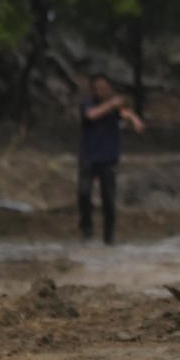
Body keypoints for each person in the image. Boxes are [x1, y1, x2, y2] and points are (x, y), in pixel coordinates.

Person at [77, 73, 143, 245]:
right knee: (83, 193)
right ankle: (86, 228)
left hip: (108, 159)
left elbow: (128, 115)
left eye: (104, 88)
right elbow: (91, 115)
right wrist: (112, 104)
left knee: (108, 198)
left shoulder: (117, 108)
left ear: (110, 89)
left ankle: (109, 236)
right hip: (88, 157)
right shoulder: (87, 103)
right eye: (98, 88)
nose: (101, 91)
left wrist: (134, 119)